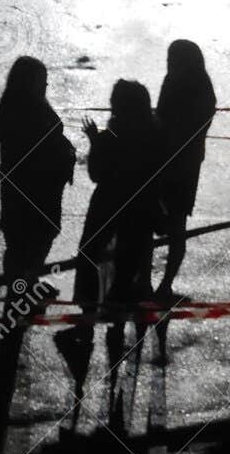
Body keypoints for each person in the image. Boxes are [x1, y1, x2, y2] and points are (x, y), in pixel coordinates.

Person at [56, 80, 164, 363]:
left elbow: (97, 174)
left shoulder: (111, 135)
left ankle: (86, 323)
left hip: (107, 204)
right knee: (126, 263)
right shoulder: (154, 134)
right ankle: (118, 323)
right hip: (139, 208)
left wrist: (94, 141)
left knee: (91, 257)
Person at [0, 57, 75, 322]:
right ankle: (21, 293)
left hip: (25, 187)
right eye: (42, 80)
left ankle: (23, 288)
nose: (46, 84)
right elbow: (39, 149)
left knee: (23, 241)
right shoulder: (28, 111)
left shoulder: (17, 106)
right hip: (36, 187)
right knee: (33, 240)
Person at [154, 39, 217, 304]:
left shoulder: (179, 85)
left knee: (168, 223)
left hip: (173, 165)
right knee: (175, 225)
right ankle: (163, 285)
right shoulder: (201, 88)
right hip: (184, 165)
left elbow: (164, 122)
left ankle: (159, 283)